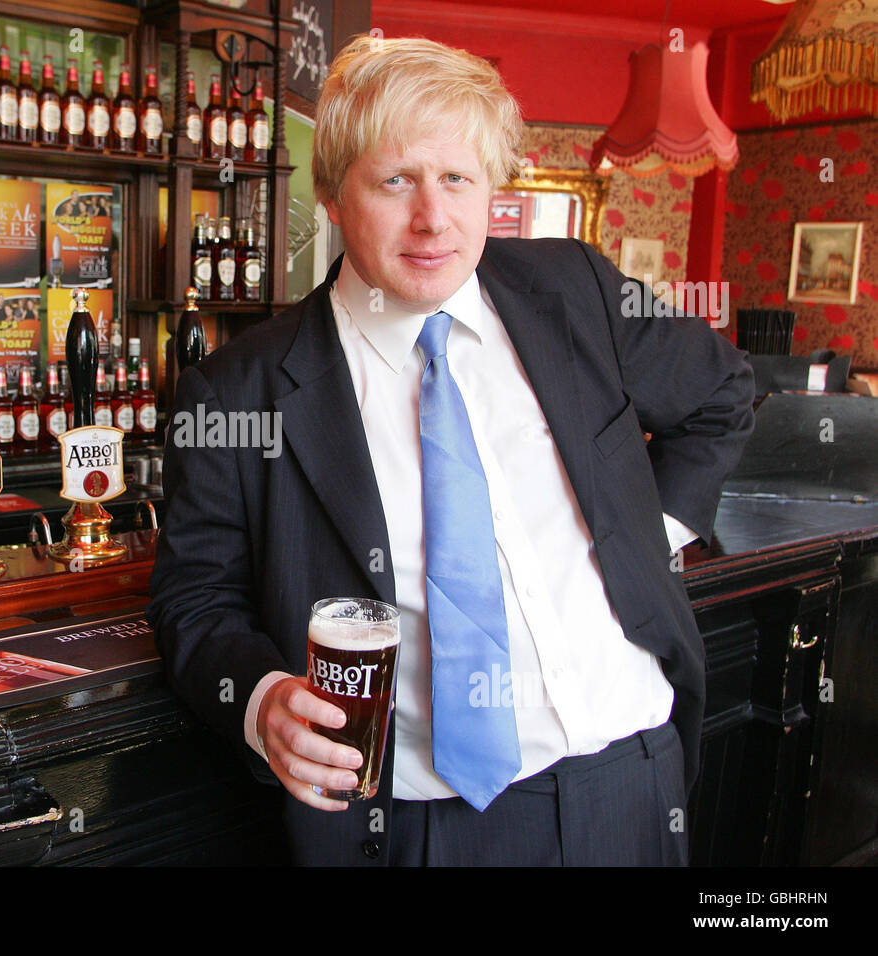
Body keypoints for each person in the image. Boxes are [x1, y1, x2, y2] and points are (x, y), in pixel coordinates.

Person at [146, 35, 755, 866]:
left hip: (632, 777)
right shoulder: (237, 390)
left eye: (458, 179)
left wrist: (652, 534)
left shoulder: (574, 288)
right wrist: (260, 701)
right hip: (416, 824)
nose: (433, 218)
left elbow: (724, 394)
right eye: (395, 180)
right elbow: (194, 597)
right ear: (331, 195)